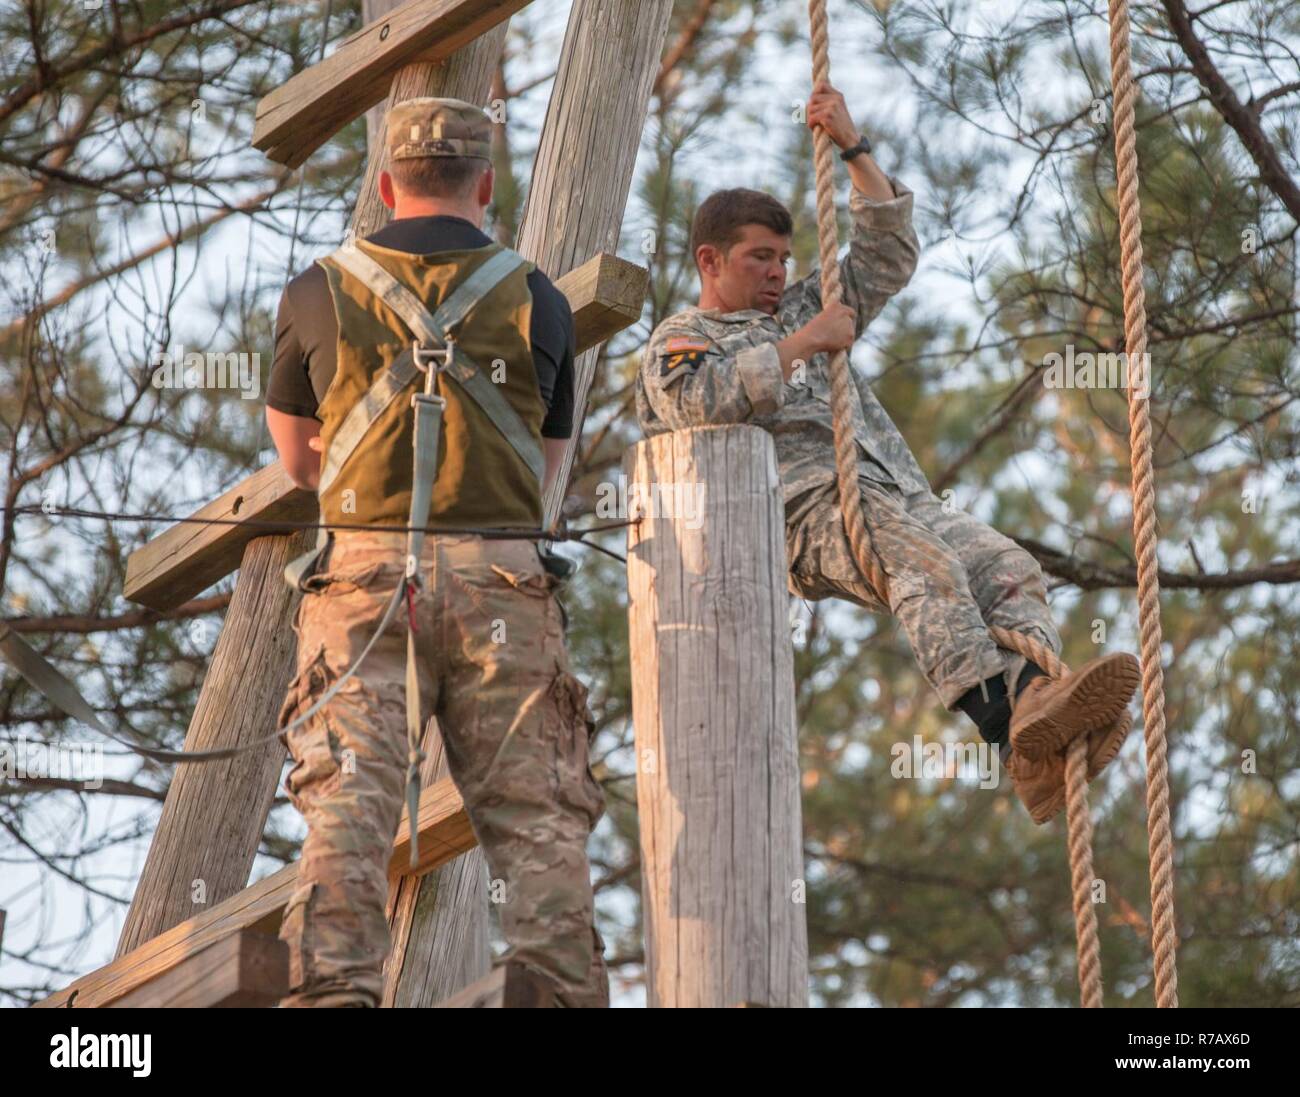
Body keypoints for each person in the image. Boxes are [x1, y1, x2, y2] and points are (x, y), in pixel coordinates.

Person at [635, 81, 1140, 823]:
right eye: (758, 258)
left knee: (1009, 566)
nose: (777, 274)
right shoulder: (681, 339)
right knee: (923, 563)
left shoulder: (807, 306)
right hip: (809, 514)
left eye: (783, 259)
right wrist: (806, 343)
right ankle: (1008, 727)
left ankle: (1036, 727)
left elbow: (886, 252)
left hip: (895, 495)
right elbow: (696, 401)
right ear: (710, 262)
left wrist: (853, 146)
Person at [264, 97, 607, 1007]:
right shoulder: (538, 297)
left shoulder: (315, 291)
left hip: (364, 587)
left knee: (347, 812)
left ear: (384, 184)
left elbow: (301, 462)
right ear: (486, 185)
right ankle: (560, 990)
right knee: (540, 819)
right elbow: (544, 471)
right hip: (502, 583)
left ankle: (335, 991)